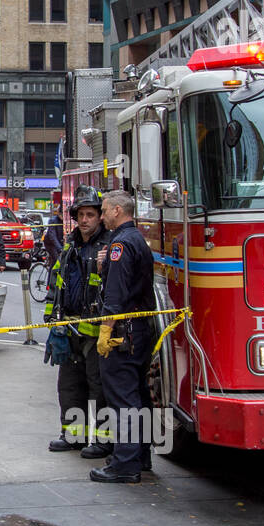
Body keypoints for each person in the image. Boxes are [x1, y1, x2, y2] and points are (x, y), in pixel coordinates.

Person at [90, 189, 156, 484]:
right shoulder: (137, 239)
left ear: (117, 211)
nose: (101, 216)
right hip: (140, 330)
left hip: (123, 332)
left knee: (122, 398)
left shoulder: (120, 244)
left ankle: (124, 464)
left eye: (104, 211)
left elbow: (115, 294)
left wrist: (106, 329)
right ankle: (139, 456)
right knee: (138, 394)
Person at [43, 186, 111, 456]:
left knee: (99, 387)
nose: (84, 220)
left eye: (90, 214)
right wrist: (51, 317)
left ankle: (104, 441)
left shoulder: (109, 248)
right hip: (69, 329)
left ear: (99, 217)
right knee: (69, 386)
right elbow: (56, 283)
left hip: (96, 333)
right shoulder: (70, 248)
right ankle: (73, 436)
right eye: (81, 214)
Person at [42, 190, 65, 267]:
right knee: (56, 260)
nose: (62, 217)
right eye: (61, 214)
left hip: (59, 241)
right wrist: (60, 248)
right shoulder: (53, 220)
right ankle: (51, 278)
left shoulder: (66, 221)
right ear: (58, 213)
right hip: (50, 243)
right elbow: (52, 236)